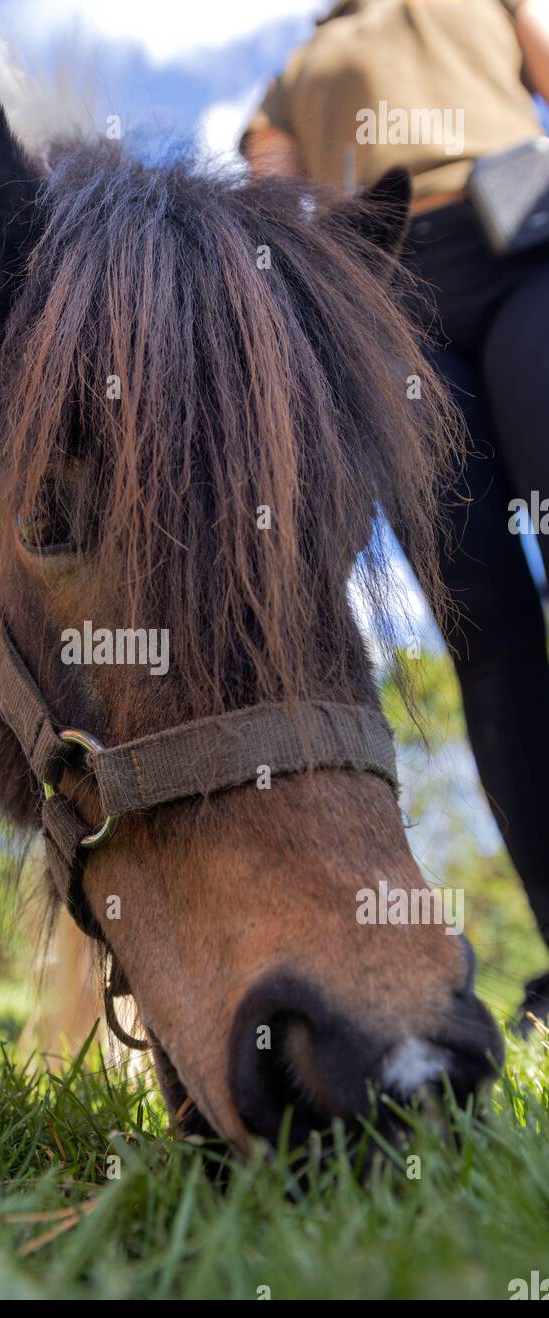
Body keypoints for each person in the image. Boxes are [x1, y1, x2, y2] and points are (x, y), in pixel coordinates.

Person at [240, 0, 549, 1027]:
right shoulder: (293, 73)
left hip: (524, 229)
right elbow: (276, 209)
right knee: (487, 638)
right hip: (386, 288)